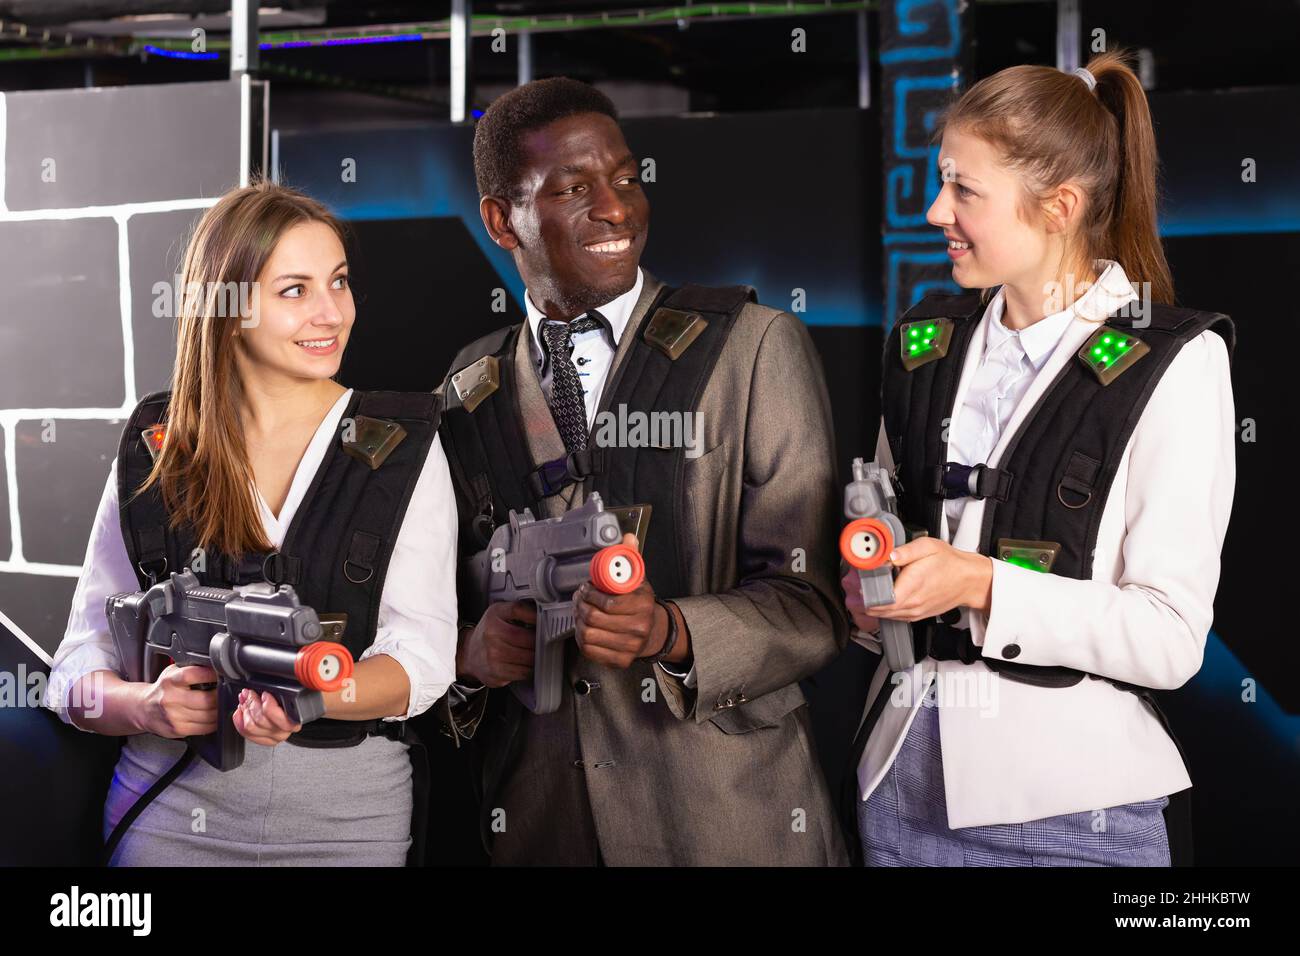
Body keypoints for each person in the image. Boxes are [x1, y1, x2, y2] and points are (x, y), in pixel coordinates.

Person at [437, 77, 849, 865]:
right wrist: (472, 653)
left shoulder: (753, 346)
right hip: (540, 825)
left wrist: (672, 631)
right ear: (501, 220)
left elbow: (815, 602)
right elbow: (434, 611)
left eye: (626, 180)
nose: (617, 208)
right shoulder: (465, 385)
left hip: (731, 822)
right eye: (574, 188)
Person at [841, 50, 1236, 866]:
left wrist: (980, 584)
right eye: (940, 180)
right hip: (896, 786)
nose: (932, 210)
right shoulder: (926, 343)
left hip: (1073, 813)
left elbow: (1168, 640)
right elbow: (886, 548)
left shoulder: (1175, 360)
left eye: (963, 191)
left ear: (1058, 206)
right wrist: (869, 603)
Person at [45, 180, 459, 866]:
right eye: (294, 290)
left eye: (339, 281)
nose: (332, 312)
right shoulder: (159, 440)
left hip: (348, 824)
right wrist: (146, 705)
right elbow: (76, 669)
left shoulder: (400, 441)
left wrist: (318, 697)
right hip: (168, 814)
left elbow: (421, 659)